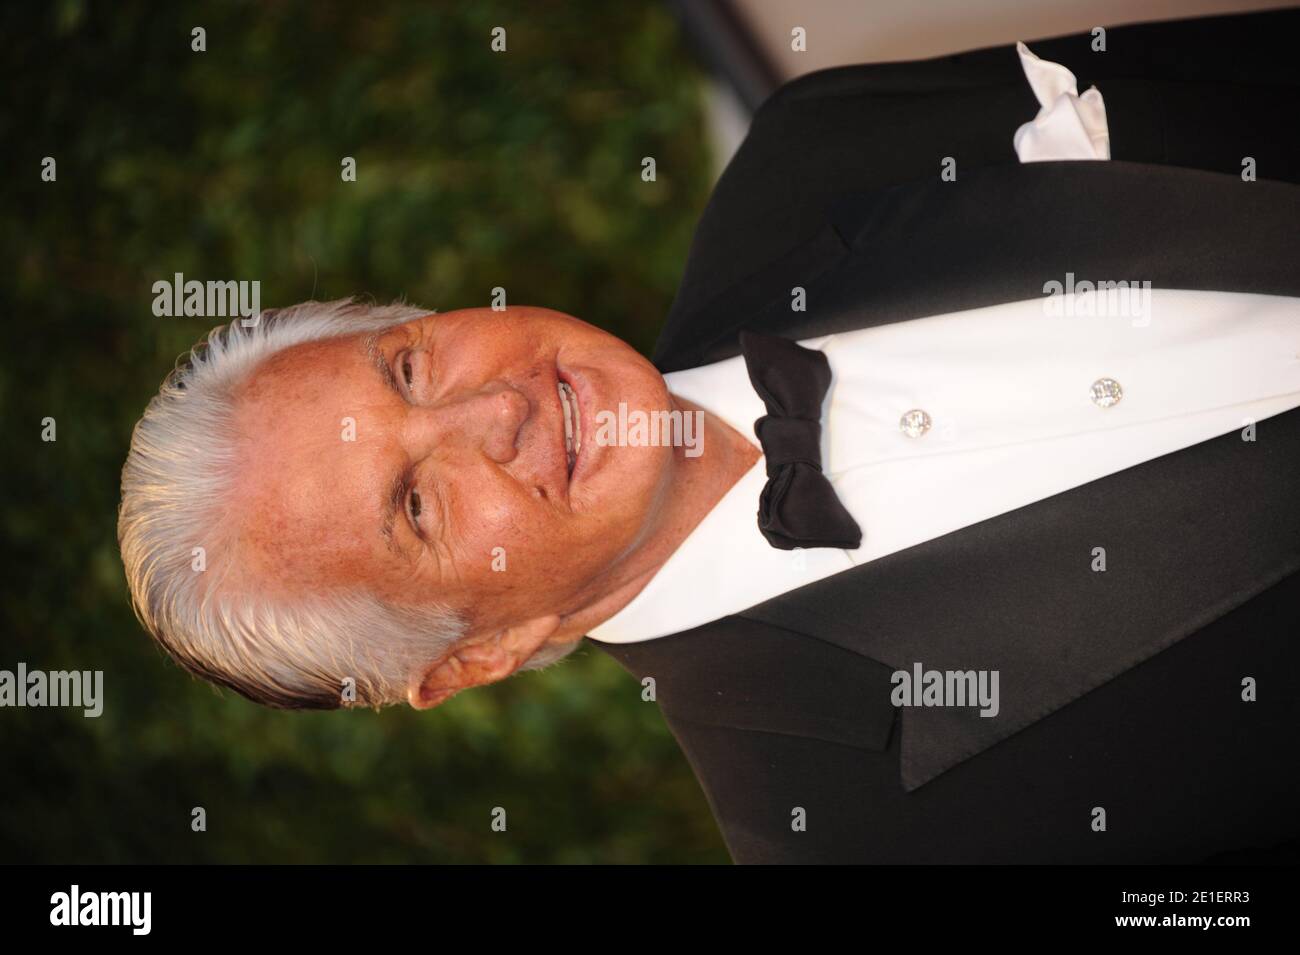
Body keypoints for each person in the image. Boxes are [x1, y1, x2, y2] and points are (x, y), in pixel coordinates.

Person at [119, 8, 1300, 862]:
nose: (494, 410)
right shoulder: (851, 838)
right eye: (415, 505)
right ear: (475, 656)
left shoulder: (813, 152)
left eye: (409, 367)